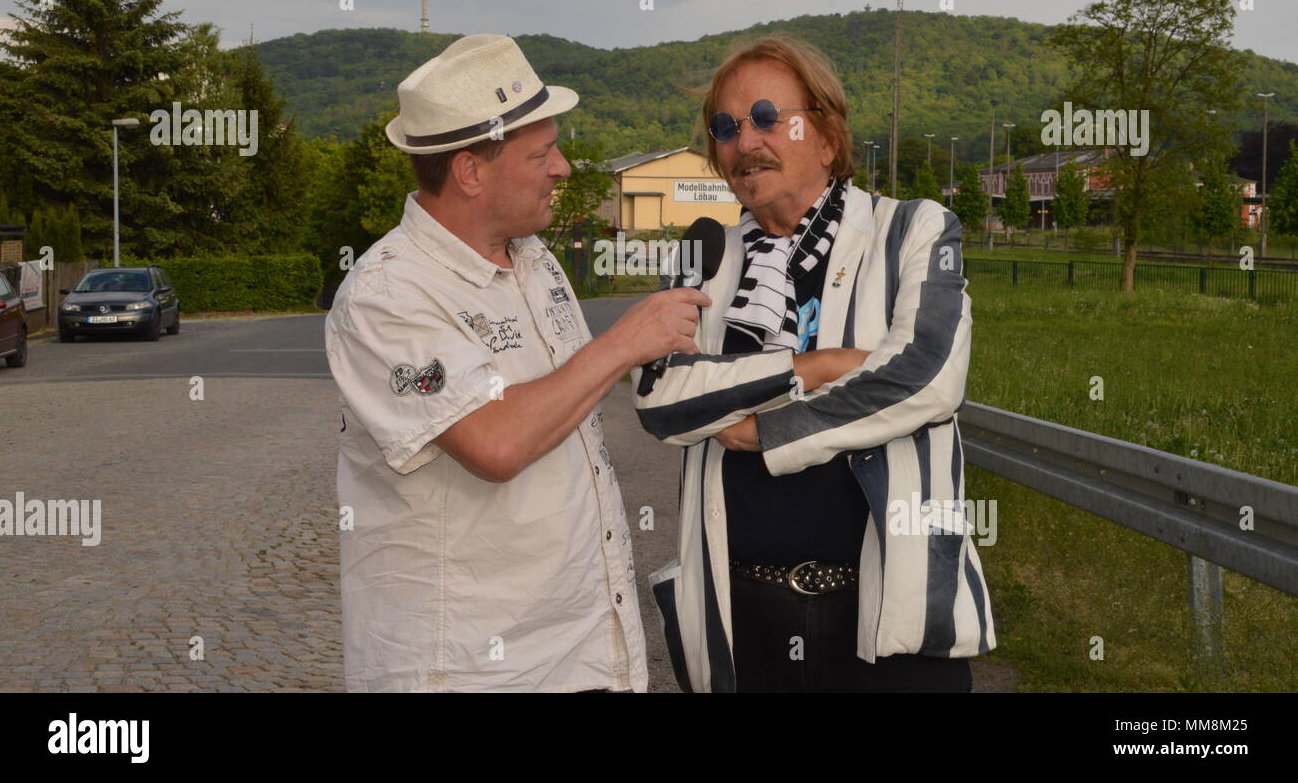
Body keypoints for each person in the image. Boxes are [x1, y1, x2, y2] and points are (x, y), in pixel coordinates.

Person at [325, 34, 708, 692]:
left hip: (582, 654)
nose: (563, 167)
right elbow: (495, 443)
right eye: (542, 152)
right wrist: (622, 343)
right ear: (471, 171)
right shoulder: (387, 294)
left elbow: (563, 407)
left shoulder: (534, 260)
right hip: (472, 670)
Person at [632, 34, 996, 692]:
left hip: (890, 625)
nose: (746, 142)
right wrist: (814, 367)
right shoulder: (702, 255)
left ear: (826, 136)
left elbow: (927, 377)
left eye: (769, 117)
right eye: (726, 126)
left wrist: (767, 432)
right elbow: (660, 398)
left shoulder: (913, 230)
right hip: (746, 623)